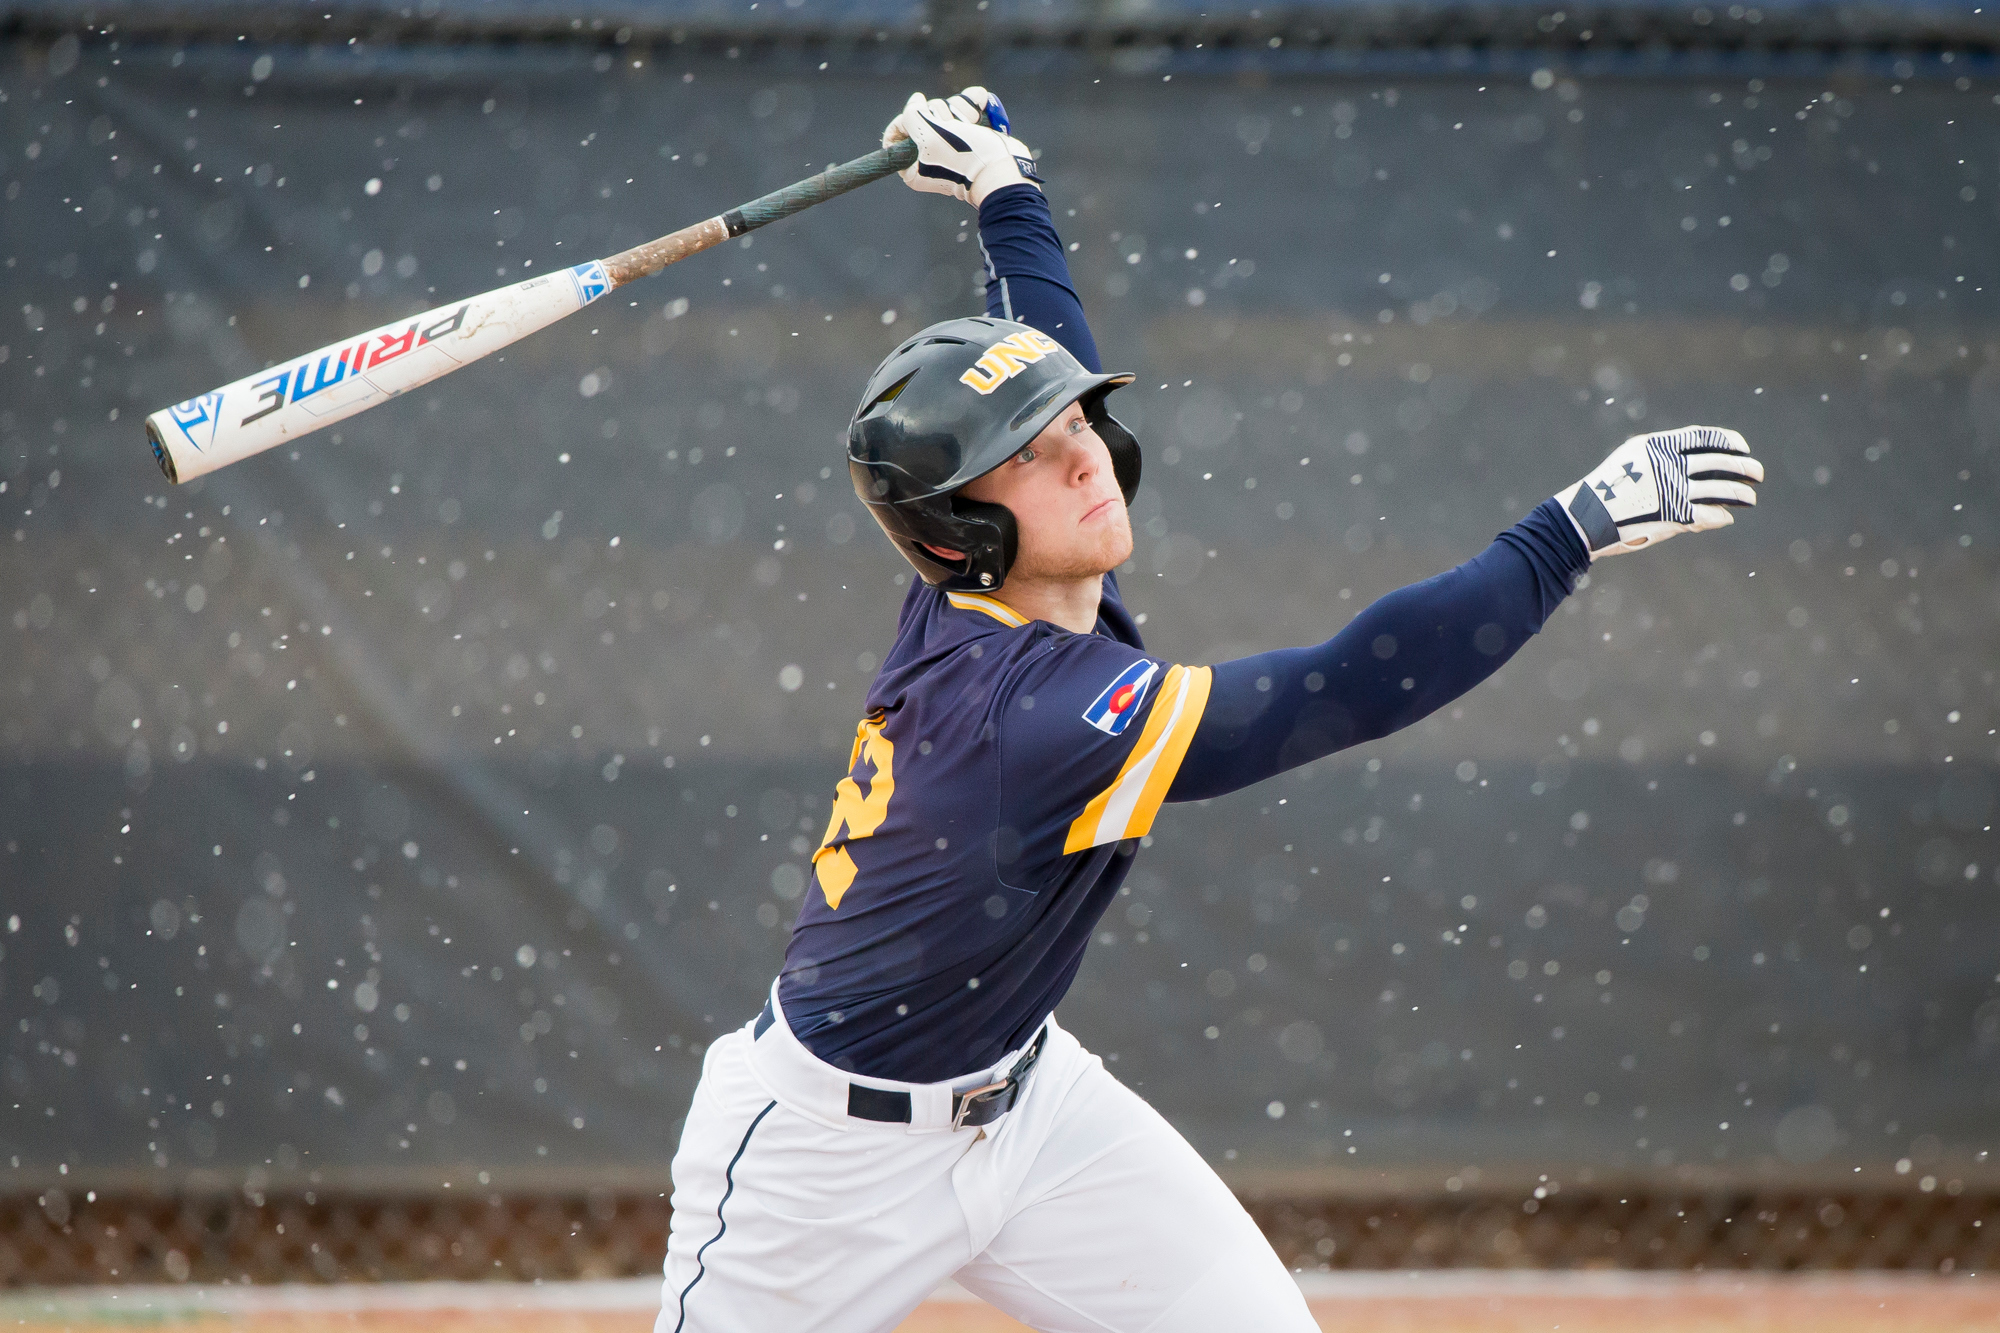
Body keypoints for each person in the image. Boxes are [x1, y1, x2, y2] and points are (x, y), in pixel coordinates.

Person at [656, 88, 1764, 1333]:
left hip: (1031, 1108)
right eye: (1027, 453)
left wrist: (1005, 193)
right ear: (959, 530)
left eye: (1075, 423)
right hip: (824, 1165)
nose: (1080, 453)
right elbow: (1343, 687)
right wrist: (1561, 535)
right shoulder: (1029, 715)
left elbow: (1043, 337)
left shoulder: (1008, 590)